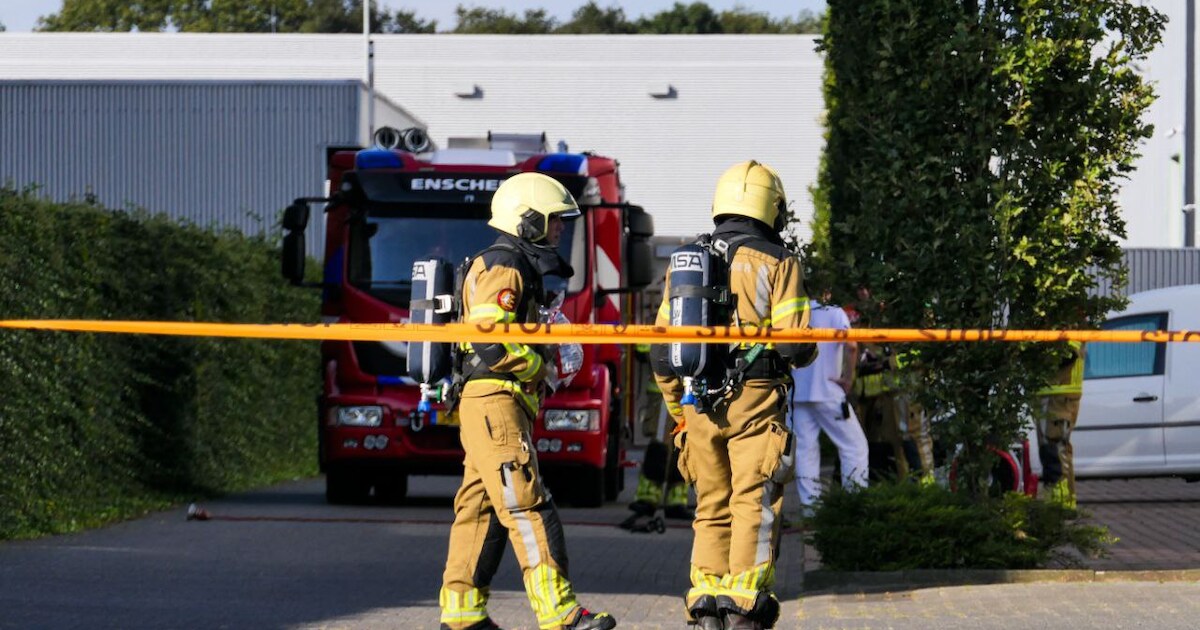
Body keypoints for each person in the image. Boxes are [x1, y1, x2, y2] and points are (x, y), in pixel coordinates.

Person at [440, 173, 616, 630]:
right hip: (496, 397)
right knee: (525, 503)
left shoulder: (515, 264)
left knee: (479, 508)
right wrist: (541, 369)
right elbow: (490, 340)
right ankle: (559, 613)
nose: (560, 230)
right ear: (529, 220)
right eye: (555, 221)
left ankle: (462, 615)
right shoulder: (504, 263)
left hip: (491, 401)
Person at [651, 160, 815, 630]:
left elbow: (662, 354)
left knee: (711, 503)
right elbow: (795, 344)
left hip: (697, 400)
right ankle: (743, 606)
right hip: (756, 398)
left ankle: (705, 600)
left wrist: (679, 414)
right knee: (754, 501)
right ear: (772, 208)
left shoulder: (685, 261)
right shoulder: (779, 261)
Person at [788, 298, 868, 513]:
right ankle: (856, 504)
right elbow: (851, 346)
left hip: (798, 393)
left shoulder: (794, 311)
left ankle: (811, 511)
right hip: (829, 391)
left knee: (805, 451)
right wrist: (848, 379)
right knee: (855, 447)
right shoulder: (834, 312)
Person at [627, 343, 691, 521]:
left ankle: (676, 501)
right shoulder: (664, 317)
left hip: (690, 390)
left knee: (684, 445)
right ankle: (647, 498)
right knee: (660, 447)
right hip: (665, 391)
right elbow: (642, 348)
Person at [1035, 341, 1086, 509]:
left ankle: (1058, 507)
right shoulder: (1071, 320)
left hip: (1057, 393)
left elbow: (1066, 352)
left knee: (1054, 451)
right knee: (1058, 450)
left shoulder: (1063, 320)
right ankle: (1063, 504)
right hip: (1058, 392)